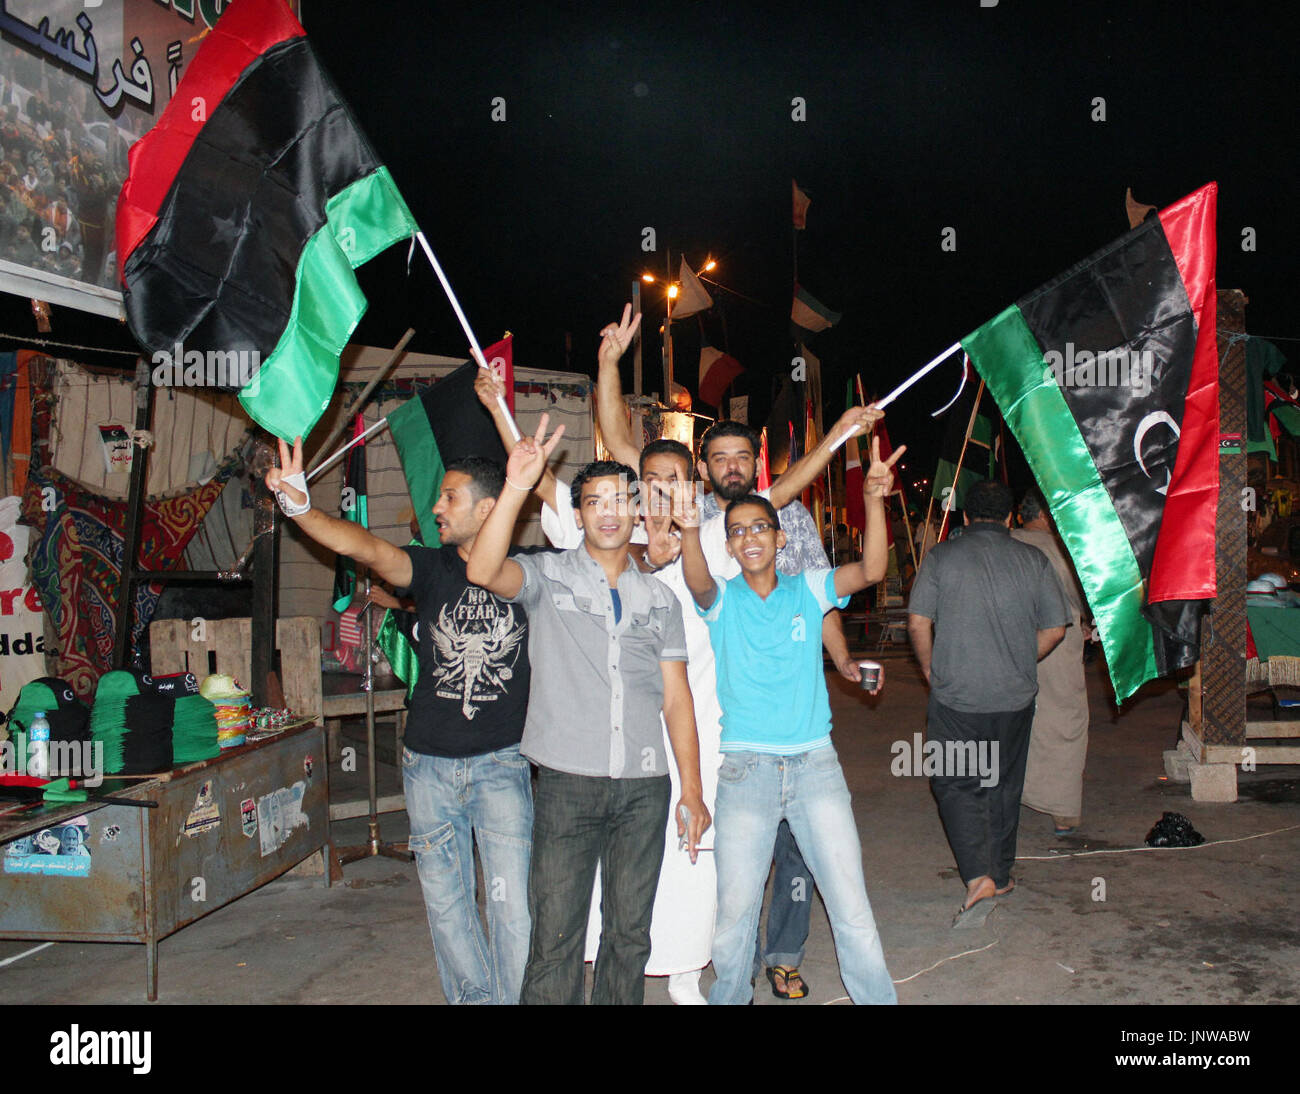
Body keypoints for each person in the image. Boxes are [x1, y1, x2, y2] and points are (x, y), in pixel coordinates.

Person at [584, 305, 880, 1002]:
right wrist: (606, 364)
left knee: (702, 854)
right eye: (656, 479)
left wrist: (838, 435)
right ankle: (633, 963)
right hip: (630, 715)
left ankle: (692, 971)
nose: (668, 489)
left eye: (681, 480)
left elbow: (788, 495)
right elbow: (618, 439)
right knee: (632, 846)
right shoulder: (623, 526)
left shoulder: (718, 532)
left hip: (716, 719)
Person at [267, 439, 533, 1005]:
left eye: (450, 497)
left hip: (501, 765)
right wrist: (301, 509)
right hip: (428, 766)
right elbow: (368, 548)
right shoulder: (431, 568)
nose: (437, 507)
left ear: (488, 507)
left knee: (512, 905)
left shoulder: (530, 572)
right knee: (447, 904)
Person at [466, 417, 710, 1005]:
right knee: (557, 935)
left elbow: (677, 698)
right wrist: (517, 486)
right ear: (578, 516)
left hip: (643, 787)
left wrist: (693, 791)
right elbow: (480, 569)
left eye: (621, 500)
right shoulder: (547, 577)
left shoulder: (660, 598)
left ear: (636, 511)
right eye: (595, 501)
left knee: (629, 935)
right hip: (568, 785)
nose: (608, 511)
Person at [675, 431, 903, 1005]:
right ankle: (730, 996)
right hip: (745, 773)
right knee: (734, 913)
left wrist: (874, 499)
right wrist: (685, 533)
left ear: (780, 538)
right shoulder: (722, 600)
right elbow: (697, 581)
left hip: (815, 768)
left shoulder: (807, 588)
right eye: (737, 532)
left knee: (850, 905)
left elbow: (872, 571)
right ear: (727, 545)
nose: (749, 538)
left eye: (759, 528)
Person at [907, 480, 1069, 927]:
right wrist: (1018, 658)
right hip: (1014, 696)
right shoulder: (1033, 560)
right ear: (1010, 518)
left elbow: (918, 620)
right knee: (1002, 782)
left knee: (956, 781)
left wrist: (929, 667)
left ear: (963, 517)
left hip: (956, 695)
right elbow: (1056, 628)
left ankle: (977, 875)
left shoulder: (942, 557)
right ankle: (1000, 872)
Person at [1012, 489, 1089, 836]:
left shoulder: (1006, 542)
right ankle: (1062, 811)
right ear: (1046, 516)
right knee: (1062, 720)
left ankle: (1011, 793)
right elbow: (1082, 596)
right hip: (1056, 641)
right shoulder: (1062, 550)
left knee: (1011, 718)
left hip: (1005, 642)